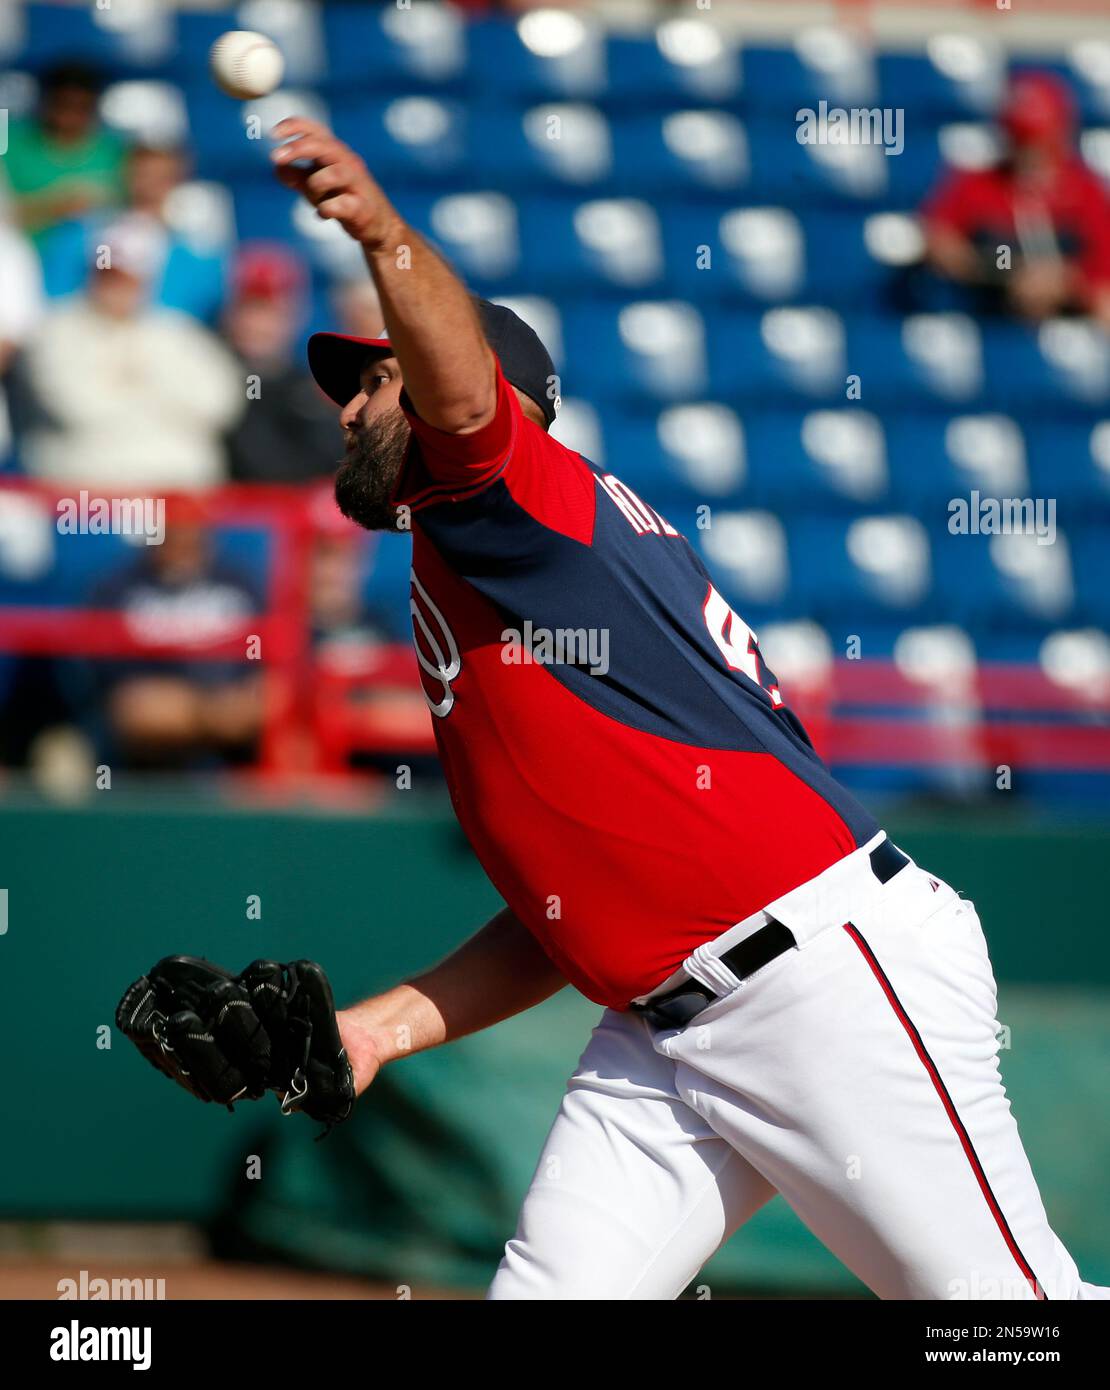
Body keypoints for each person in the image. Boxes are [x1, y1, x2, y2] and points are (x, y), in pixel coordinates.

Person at [20, 214, 243, 489]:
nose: (119, 285)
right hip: (88, 487)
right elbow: (80, 411)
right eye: (110, 274)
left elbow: (220, 404)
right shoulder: (56, 330)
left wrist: (133, 388)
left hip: (179, 485)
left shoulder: (177, 332)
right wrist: (168, 407)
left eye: (129, 275)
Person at [87, 500, 263, 770]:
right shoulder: (118, 589)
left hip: (235, 753)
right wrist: (213, 714)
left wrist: (245, 709)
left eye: (192, 530)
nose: (183, 542)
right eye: (173, 531)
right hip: (142, 759)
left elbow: (271, 685)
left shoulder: (240, 584)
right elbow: (134, 707)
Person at [923, 70, 1110, 324]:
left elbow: (1101, 271)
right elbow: (940, 241)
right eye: (1021, 140)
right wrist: (1009, 269)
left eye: (1040, 140)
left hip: (1071, 317)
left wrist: (1062, 281)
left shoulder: (1086, 191)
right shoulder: (978, 185)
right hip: (990, 317)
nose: (1030, 152)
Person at [37, 143, 228, 324]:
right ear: (125, 173)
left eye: (162, 176)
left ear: (179, 179)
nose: (149, 184)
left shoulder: (199, 258)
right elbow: (55, 307)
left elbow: (197, 324)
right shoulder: (77, 238)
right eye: (143, 174)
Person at [222, 244, 339, 483]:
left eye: (271, 311)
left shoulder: (310, 387)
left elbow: (332, 460)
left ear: (296, 315)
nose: (257, 324)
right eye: (250, 308)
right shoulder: (207, 374)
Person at [0, 61, 127, 248]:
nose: (70, 115)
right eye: (63, 104)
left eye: (82, 106)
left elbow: (129, 220)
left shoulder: (116, 152)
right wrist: (53, 208)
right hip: (20, 260)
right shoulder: (9, 141)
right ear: (45, 102)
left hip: (95, 263)